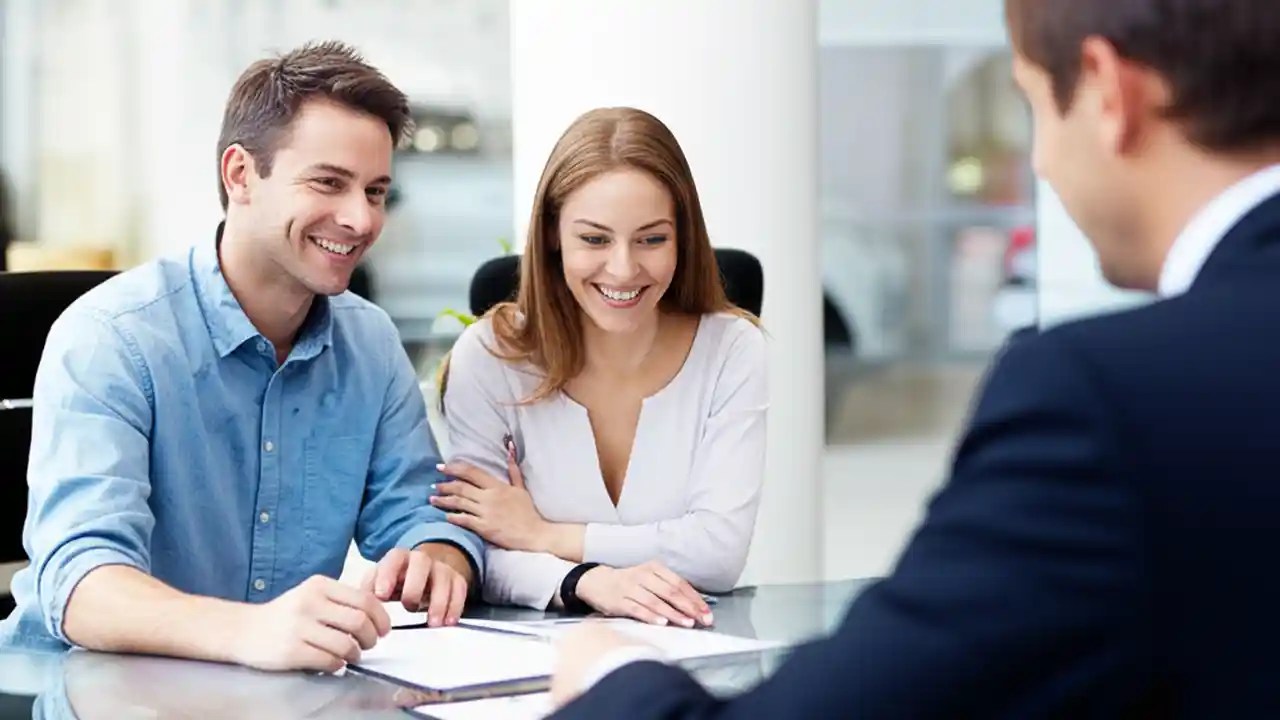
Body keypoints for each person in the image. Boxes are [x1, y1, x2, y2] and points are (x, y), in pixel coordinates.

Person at [549, 0, 1280, 716]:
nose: (1044, 163)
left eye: (1033, 109)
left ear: (1105, 90)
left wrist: (614, 678)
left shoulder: (1104, 399)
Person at [0, 41, 483, 672]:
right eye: (329, 183)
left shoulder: (370, 343)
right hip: (84, 690)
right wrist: (249, 632)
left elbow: (418, 513)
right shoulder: (111, 338)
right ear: (240, 175)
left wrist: (436, 557)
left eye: (375, 191)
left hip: (272, 695)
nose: (360, 218)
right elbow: (82, 582)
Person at [434, 107, 767, 628]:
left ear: (683, 237)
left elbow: (717, 554)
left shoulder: (731, 350)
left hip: (695, 648)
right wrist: (587, 581)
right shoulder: (489, 357)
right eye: (594, 239)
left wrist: (545, 535)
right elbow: (478, 549)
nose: (623, 268)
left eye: (652, 239)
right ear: (552, 235)